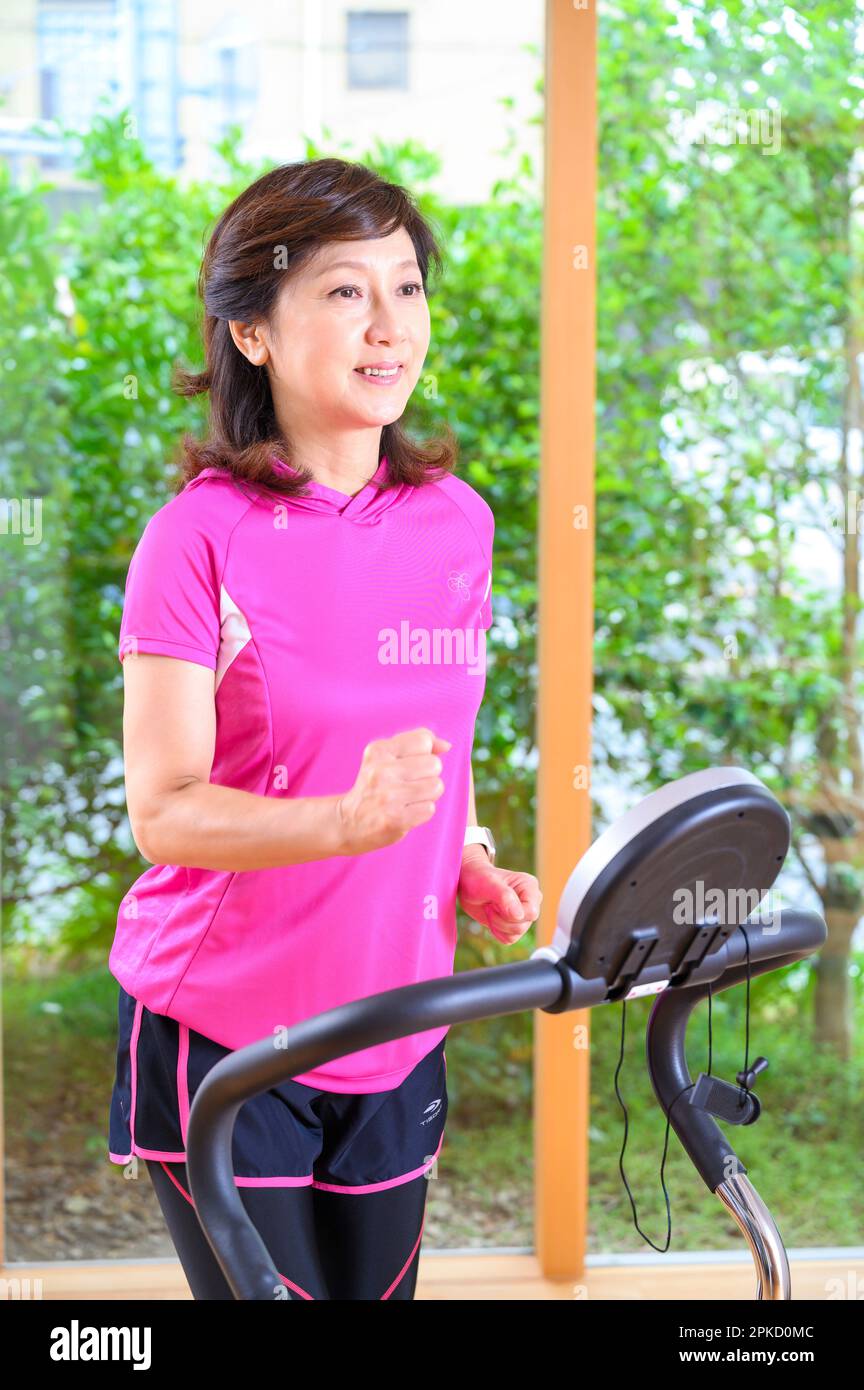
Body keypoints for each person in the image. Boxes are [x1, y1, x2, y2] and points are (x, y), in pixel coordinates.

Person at [107, 156, 542, 1301]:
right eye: (345, 291)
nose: (388, 325)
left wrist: (465, 858)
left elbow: (428, 741)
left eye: (406, 288)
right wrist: (346, 820)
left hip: (397, 1017)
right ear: (252, 330)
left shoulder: (455, 522)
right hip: (229, 1036)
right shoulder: (196, 541)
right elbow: (164, 812)